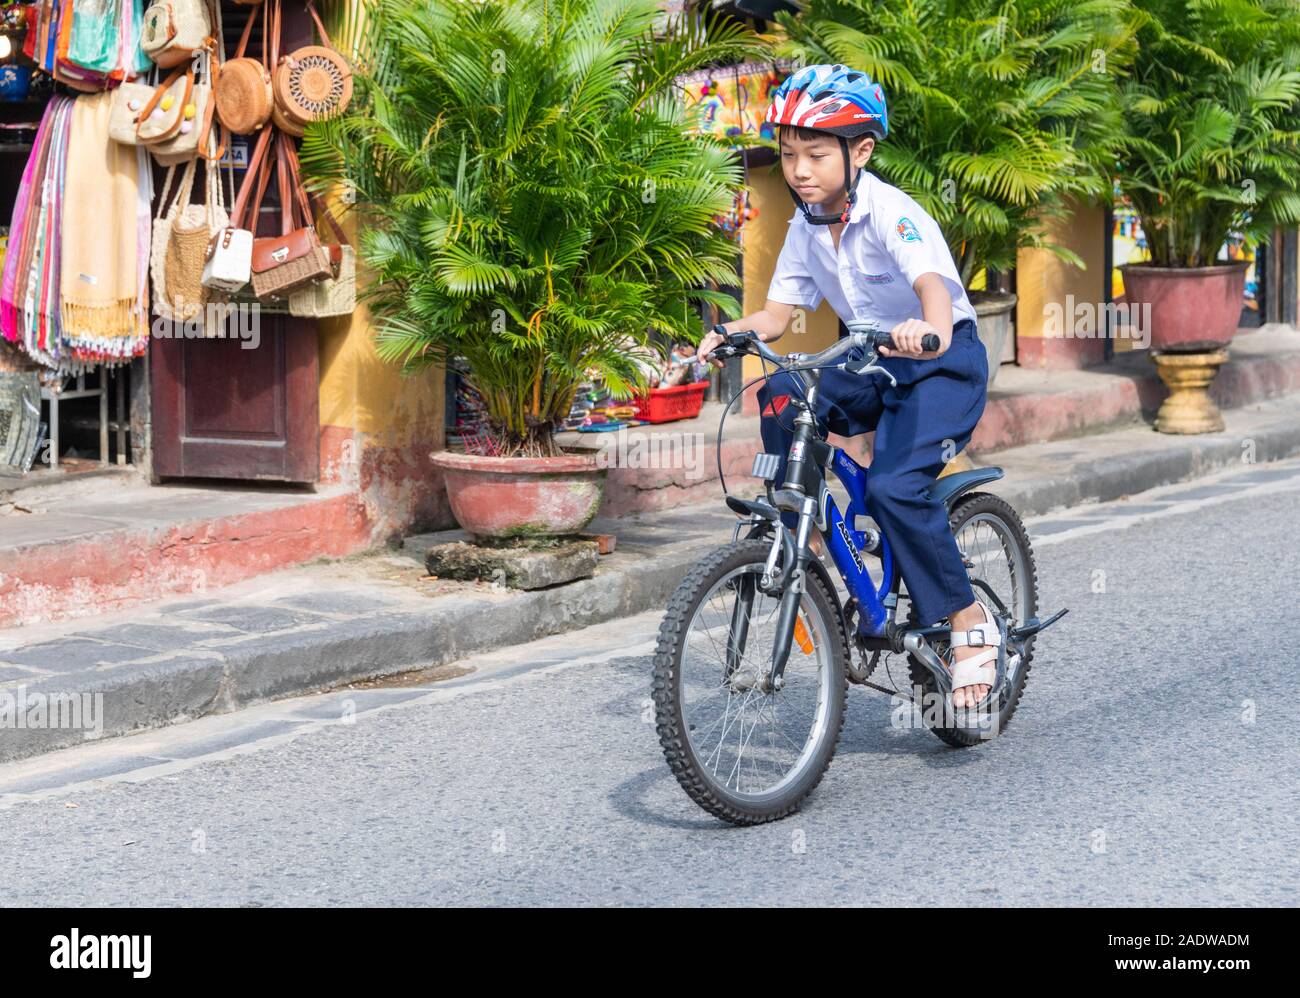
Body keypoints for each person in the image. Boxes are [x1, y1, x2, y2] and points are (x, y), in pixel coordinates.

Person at [696, 64, 997, 712]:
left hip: (940, 365)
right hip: (873, 362)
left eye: (815, 155)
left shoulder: (894, 214)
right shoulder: (806, 226)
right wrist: (727, 334)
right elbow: (776, 317)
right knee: (782, 390)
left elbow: (933, 292)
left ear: (859, 152)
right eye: (787, 154)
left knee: (894, 488)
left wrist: (929, 331)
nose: (799, 170)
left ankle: (969, 623)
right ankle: (796, 528)